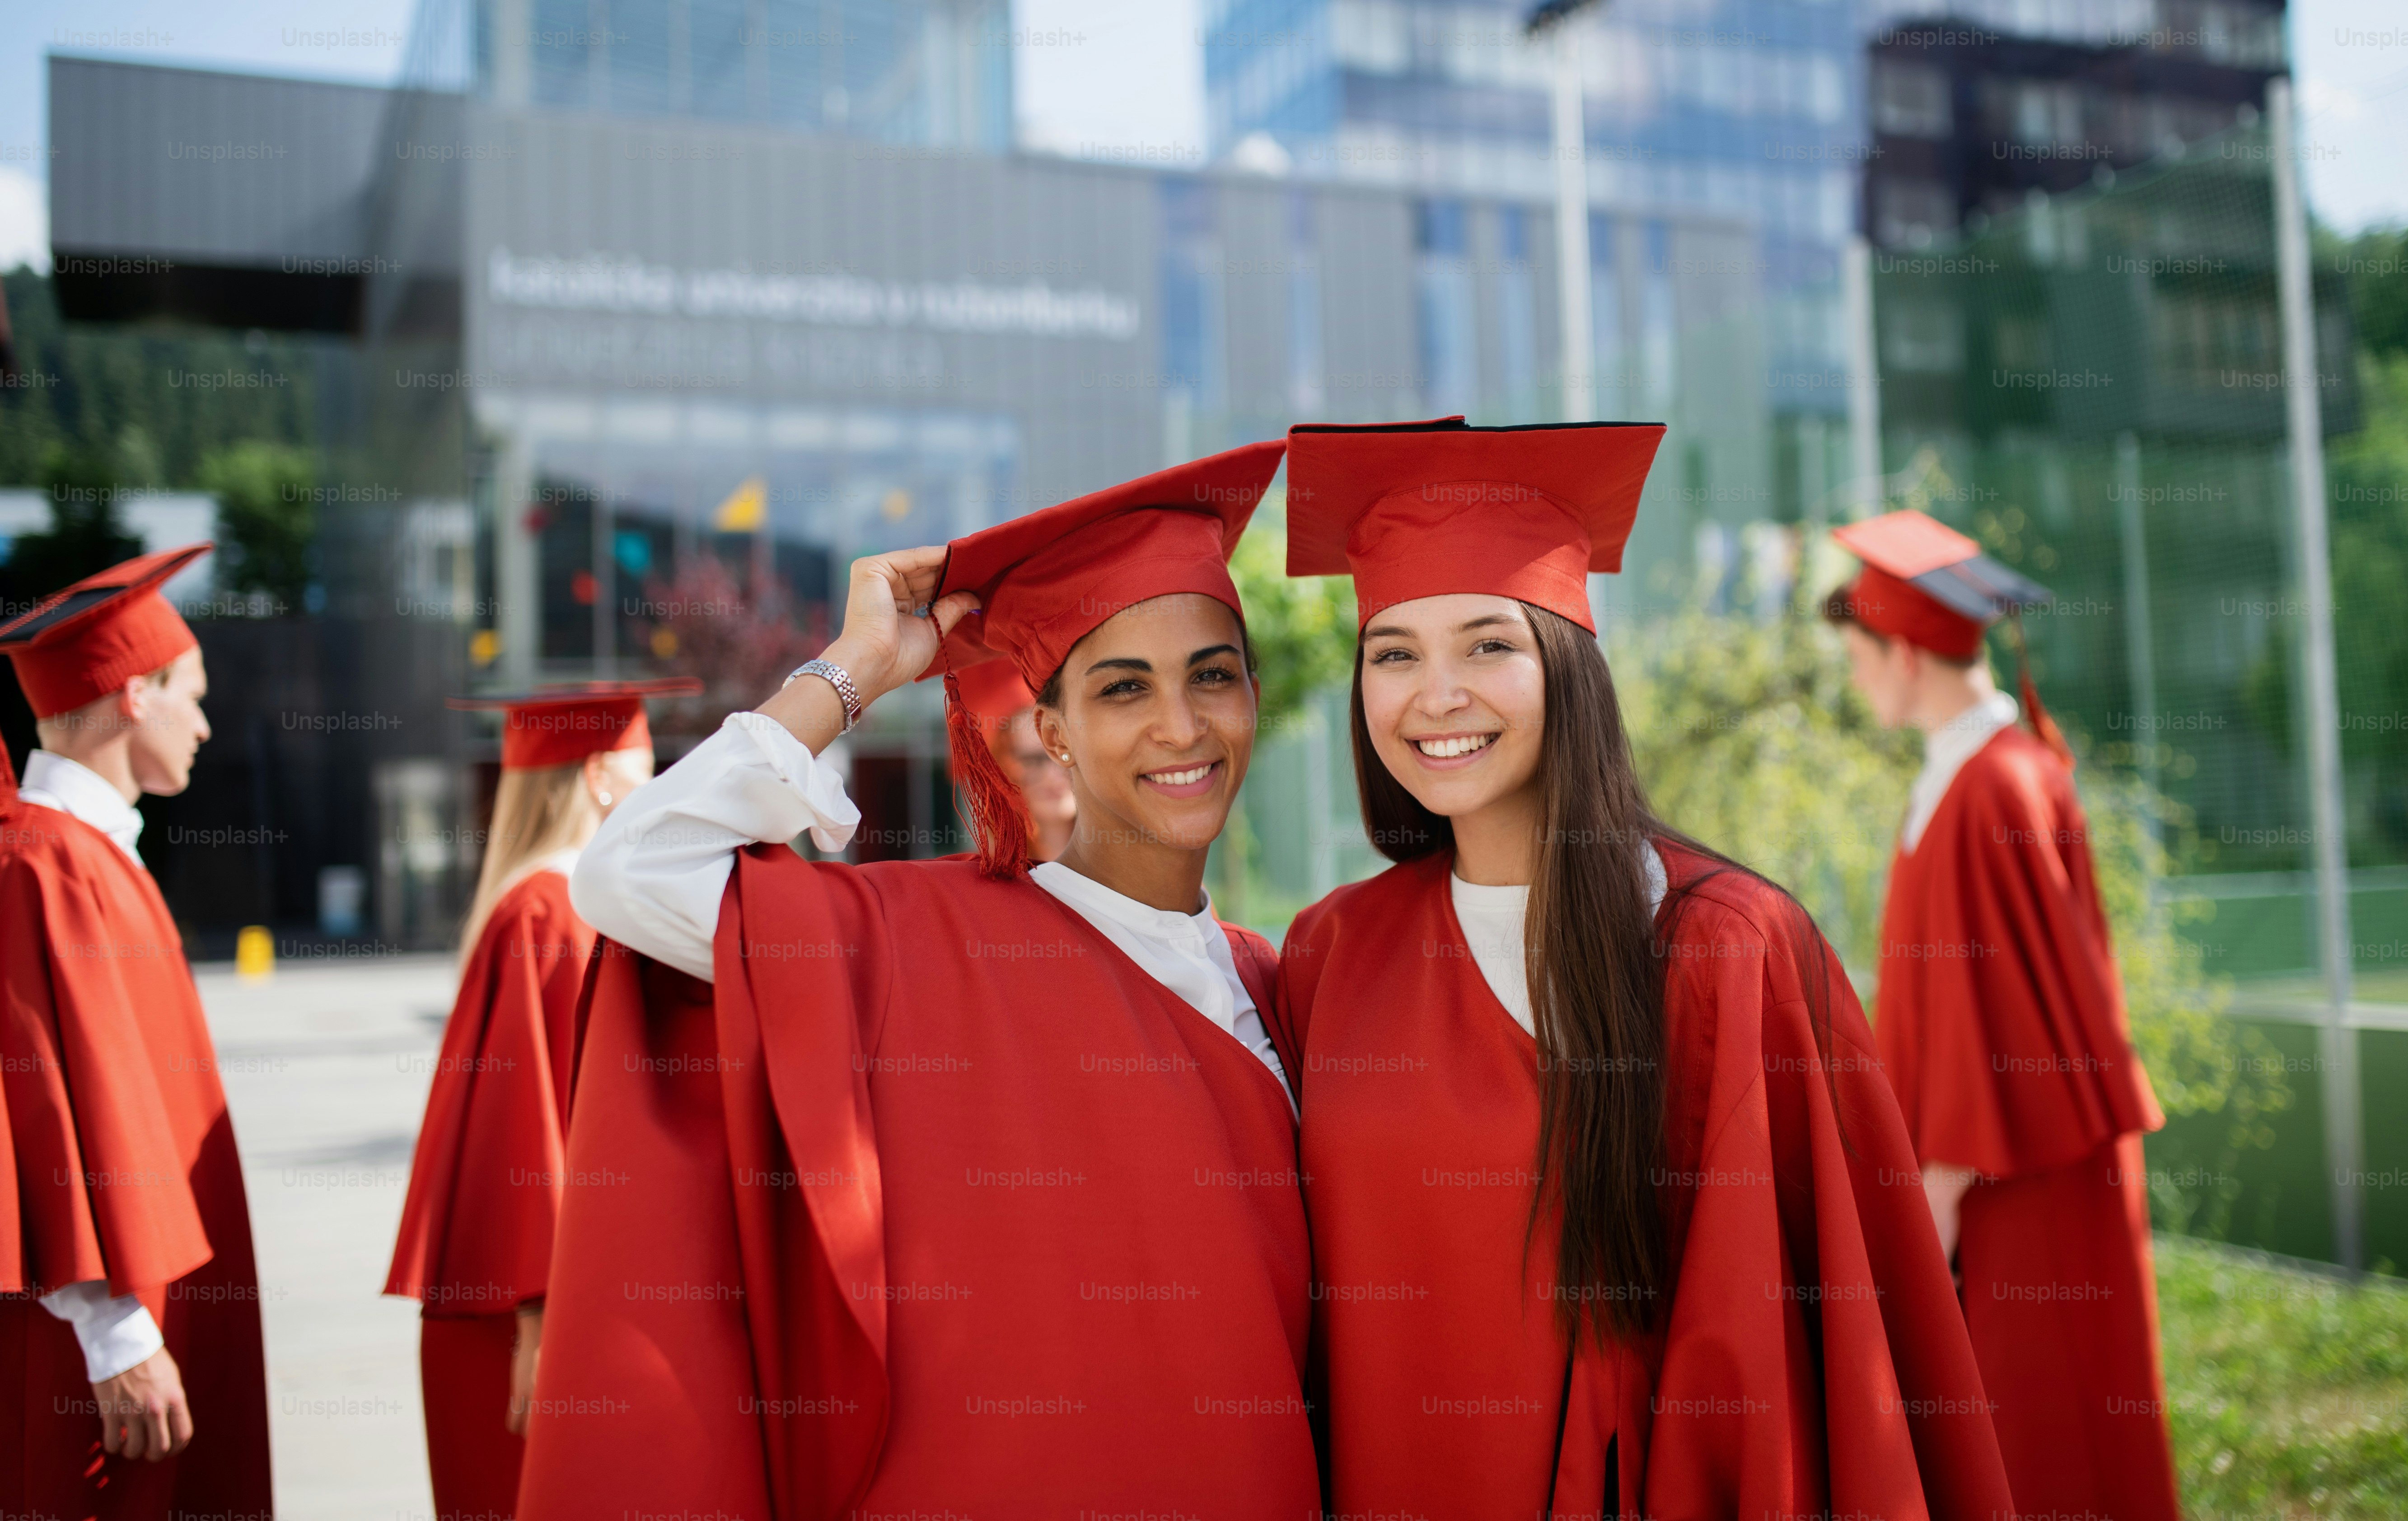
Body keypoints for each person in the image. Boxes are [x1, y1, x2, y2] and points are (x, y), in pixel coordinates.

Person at [518, 442, 1315, 1520]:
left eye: (1210, 676)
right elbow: (632, 871)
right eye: (1123, 689)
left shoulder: (1276, 983)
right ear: (1052, 737)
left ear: (1251, 699)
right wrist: (855, 671)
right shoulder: (910, 940)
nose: (1180, 725)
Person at [1269, 421, 2015, 1521]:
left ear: (1567, 667)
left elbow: (1778, 1341)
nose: (1435, 695)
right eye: (1393, 653)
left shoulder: (1727, 945)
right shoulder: (1333, 951)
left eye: (1487, 644)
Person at [1827, 508, 2177, 1521]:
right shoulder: (1967, 777)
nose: (1852, 679)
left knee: (2042, 1437)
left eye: (1856, 653)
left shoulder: (1995, 788)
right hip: (1983, 1169)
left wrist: (1928, 1204)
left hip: (2020, 1174)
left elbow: (2010, 1027)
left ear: (1901, 654)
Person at [0, 544, 273, 1518]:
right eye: (188, 694)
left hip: (151, 1307)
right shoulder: (43, 864)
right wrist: (114, 1332)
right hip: (100, 1335)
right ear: (131, 695)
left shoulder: (95, 855)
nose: (205, 723)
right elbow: (32, 1112)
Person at [385, 678, 697, 1521]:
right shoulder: (546, 914)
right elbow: (524, 1129)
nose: (658, 781)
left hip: (561, 1294)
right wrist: (537, 1317)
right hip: (536, 1311)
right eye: (646, 763)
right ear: (599, 776)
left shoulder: (559, 904)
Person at [950, 655, 1076, 861]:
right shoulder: (988, 881)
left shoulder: (1130, 870)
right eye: (1032, 761)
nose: (1053, 775)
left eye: (1065, 753)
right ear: (1002, 773)